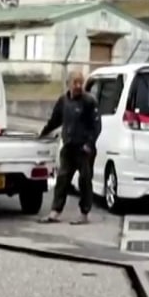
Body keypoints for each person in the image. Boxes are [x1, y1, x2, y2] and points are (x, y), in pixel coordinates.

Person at [38, 70, 101, 224]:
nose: (78, 86)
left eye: (81, 82)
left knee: (84, 180)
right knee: (62, 179)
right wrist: (43, 133)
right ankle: (55, 211)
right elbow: (55, 120)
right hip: (68, 147)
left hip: (84, 149)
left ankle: (84, 213)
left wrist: (89, 144)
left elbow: (96, 126)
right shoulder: (63, 101)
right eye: (75, 82)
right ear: (68, 84)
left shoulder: (89, 101)